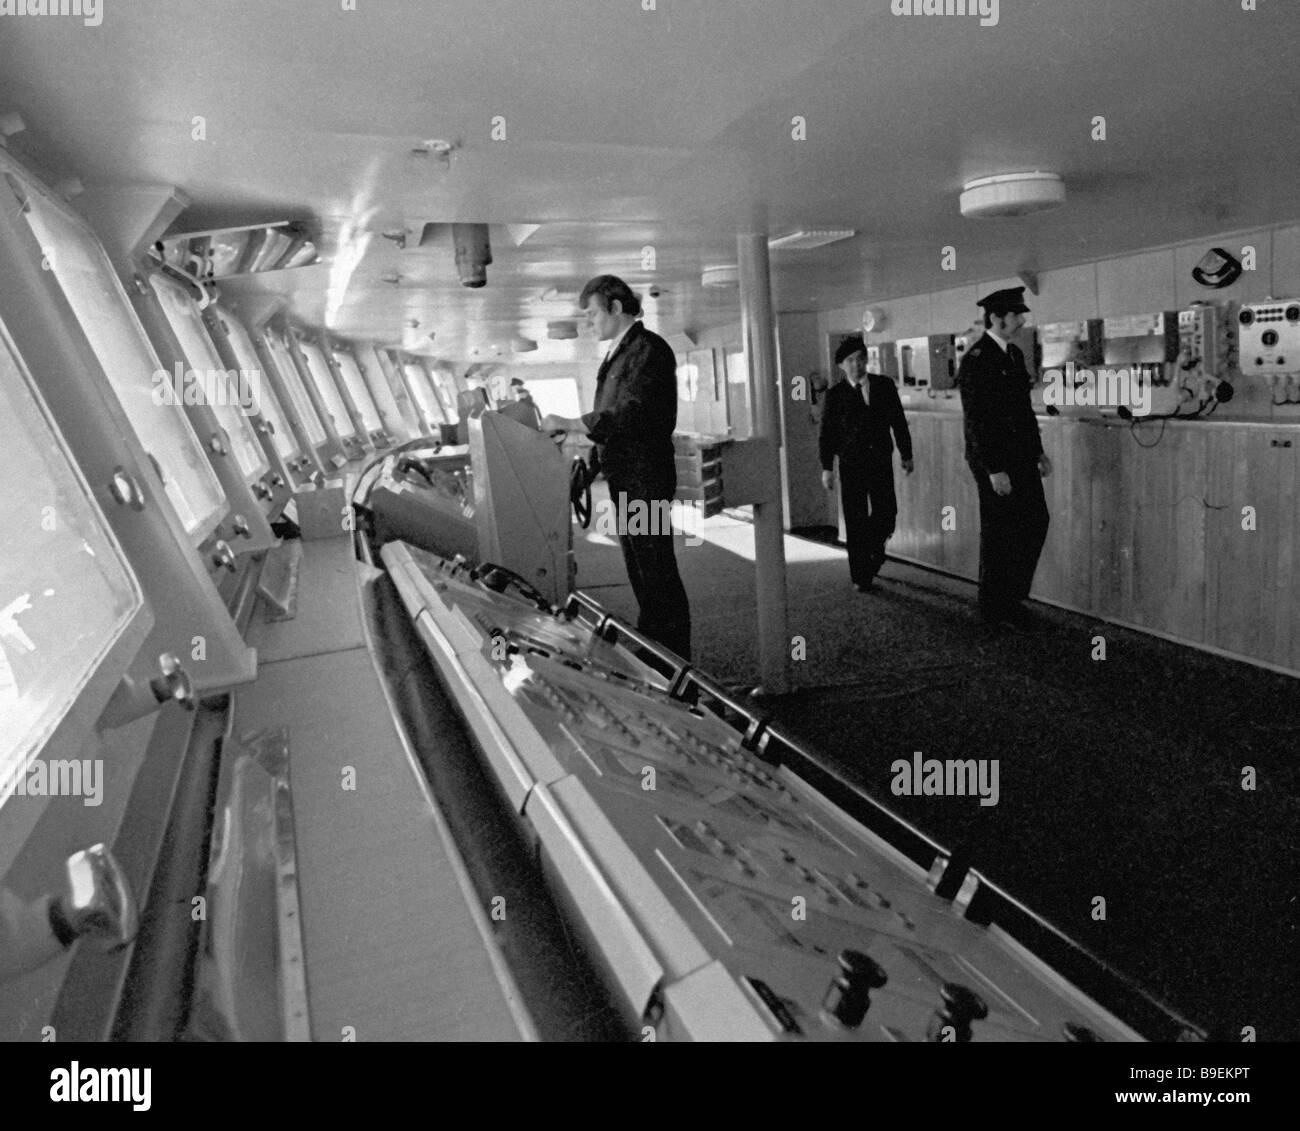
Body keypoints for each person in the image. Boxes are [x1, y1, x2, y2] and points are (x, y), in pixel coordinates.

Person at [540, 275, 691, 659]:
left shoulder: (649, 350)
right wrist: (587, 468)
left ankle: (675, 666)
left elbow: (631, 414)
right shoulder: (619, 354)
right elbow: (612, 427)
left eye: (592, 313)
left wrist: (573, 422)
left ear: (616, 308)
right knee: (642, 570)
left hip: (646, 479)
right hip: (627, 479)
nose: (587, 323)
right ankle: (655, 652)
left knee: (656, 570)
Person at [957, 287, 1052, 629]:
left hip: (1022, 457)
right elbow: (977, 421)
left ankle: (1012, 596)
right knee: (1000, 531)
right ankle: (995, 606)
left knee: (1036, 520)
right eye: (1016, 315)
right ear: (997, 318)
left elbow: (1022, 410)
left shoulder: (1013, 355)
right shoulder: (977, 360)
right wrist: (994, 468)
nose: (1022, 320)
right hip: (994, 461)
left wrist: (1038, 451)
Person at [820, 336, 914, 591]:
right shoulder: (835, 395)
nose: (856, 365)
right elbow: (827, 434)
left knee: (887, 513)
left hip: (880, 460)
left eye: (861, 359)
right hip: (851, 464)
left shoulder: (884, 386)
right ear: (842, 365)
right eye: (850, 361)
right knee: (855, 519)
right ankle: (861, 576)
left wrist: (906, 453)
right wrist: (827, 467)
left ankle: (872, 550)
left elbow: (898, 421)